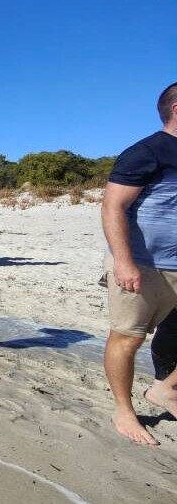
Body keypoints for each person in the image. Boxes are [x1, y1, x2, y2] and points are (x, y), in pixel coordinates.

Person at [100, 81, 177, 446]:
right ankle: (124, 410)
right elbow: (112, 206)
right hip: (143, 265)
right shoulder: (147, 152)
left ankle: (164, 389)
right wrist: (124, 261)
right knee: (128, 338)